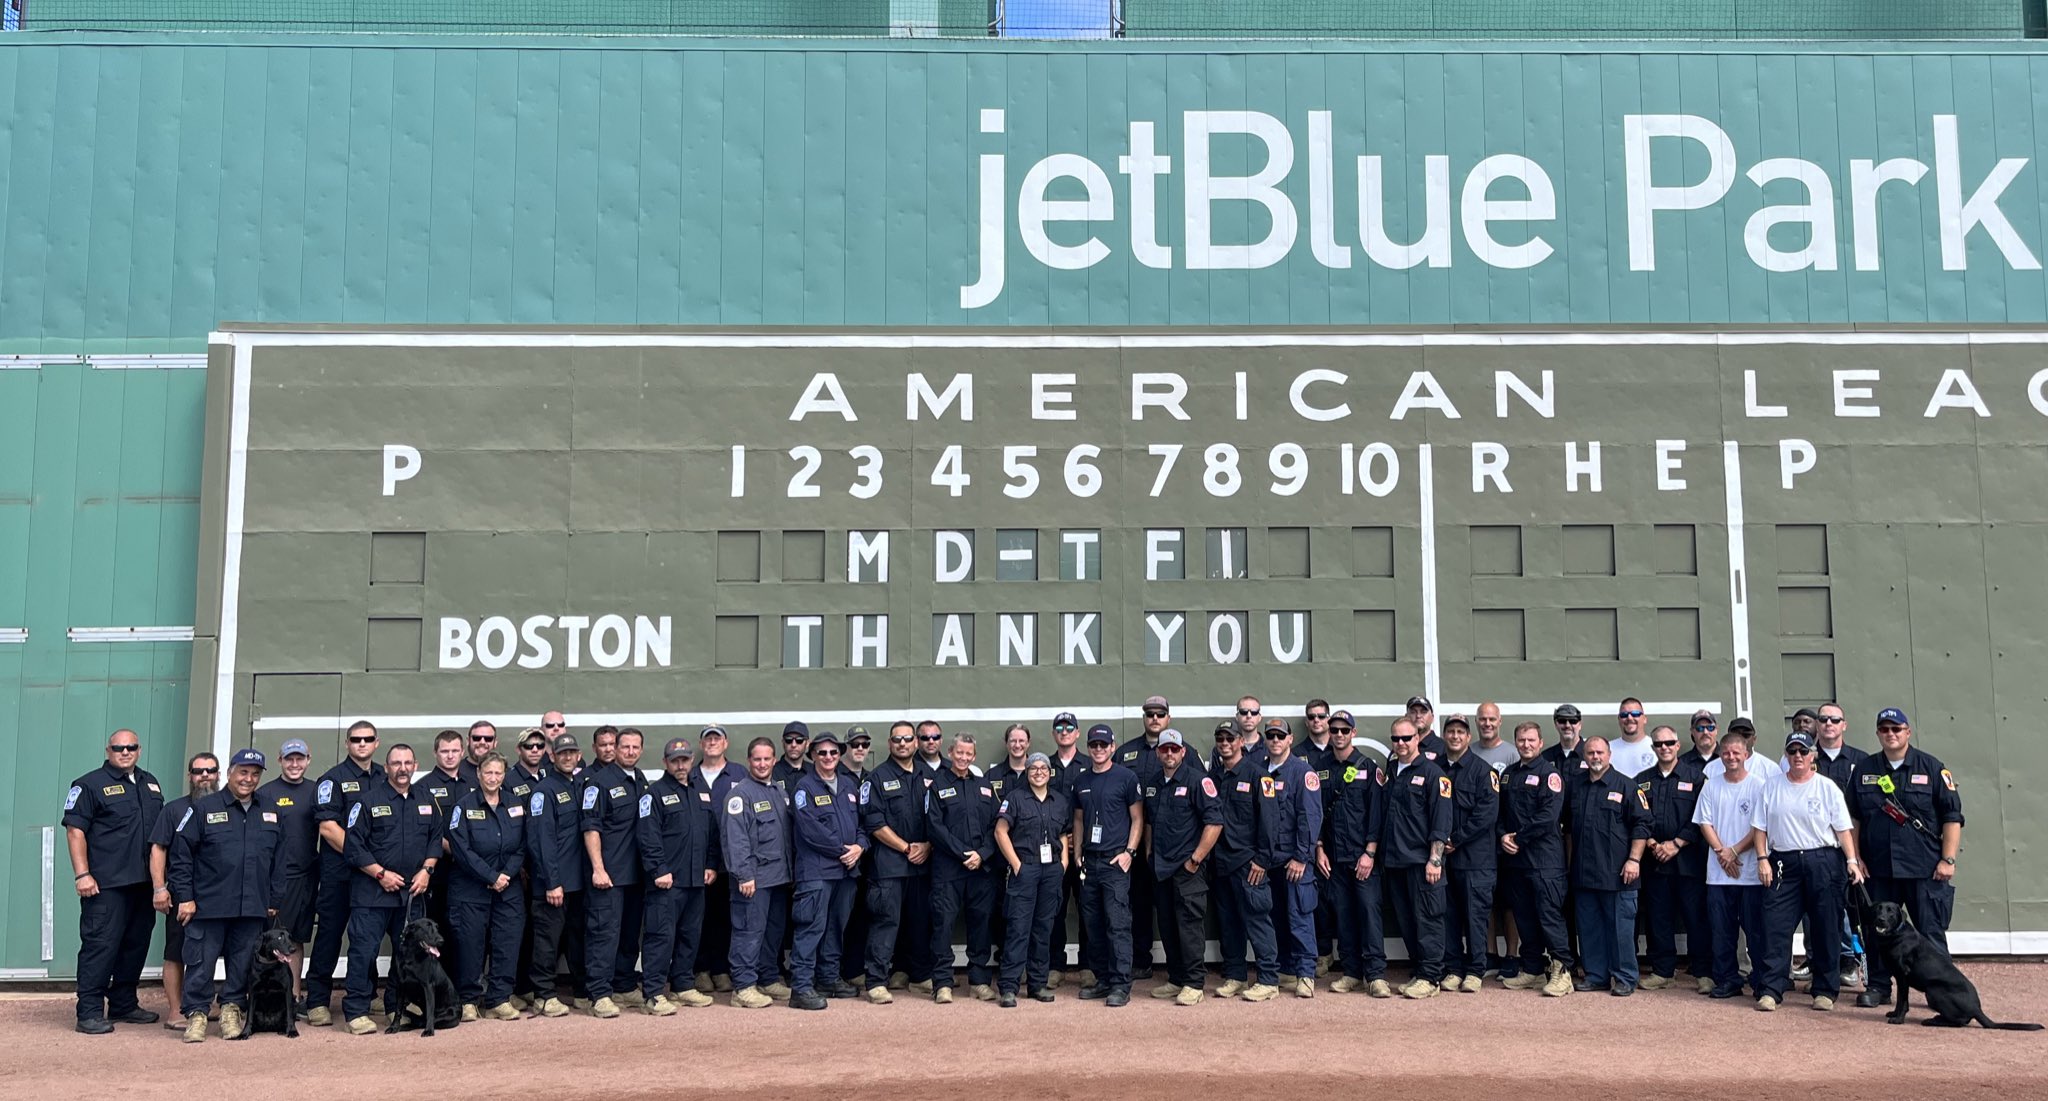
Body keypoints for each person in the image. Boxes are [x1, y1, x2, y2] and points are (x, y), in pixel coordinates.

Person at [1848, 707, 1963, 1010]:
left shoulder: (1932, 767)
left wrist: (1947, 860)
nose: (1891, 734)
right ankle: (1878, 986)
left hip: (1924, 870)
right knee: (1877, 933)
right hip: (1880, 870)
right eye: (1884, 729)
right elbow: (1854, 819)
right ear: (1878, 734)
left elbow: (1952, 816)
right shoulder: (1864, 770)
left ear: (1907, 732)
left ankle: (1944, 990)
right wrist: (1856, 857)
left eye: (1896, 729)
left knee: (1930, 934)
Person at [169, 748, 284, 1043]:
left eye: (255, 774)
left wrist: (274, 899)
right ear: (230, 773)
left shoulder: (270, 810)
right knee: (201, 963)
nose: (249, 779)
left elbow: (280, 860)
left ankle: (232, 1009)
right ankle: (196, 1014)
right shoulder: (204, 808)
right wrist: (185, 897)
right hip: (209, 904)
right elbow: (182, 856)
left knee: (243, 962)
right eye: (243, 772)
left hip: (251, 906)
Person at [63, 729, 165, 1034]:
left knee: (135, 945)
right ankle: (89, 1011)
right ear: (108, 750)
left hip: (143, 884)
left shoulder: (150, 783)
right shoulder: (88, 784)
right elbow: (74, 831)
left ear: (139, 749)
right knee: (100, 946)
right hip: (106, 885)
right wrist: (82, 874)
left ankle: (123, 1003)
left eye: (131, 747)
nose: (125, 752)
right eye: (118, 747)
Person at [1755, 730, 1866, 1012]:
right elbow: (1760, 828)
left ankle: (1825, 990)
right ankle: (1771, 989)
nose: (1797, 757)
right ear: (1786, 755)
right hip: (1783, 862)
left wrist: (1852, 861)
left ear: (1812, 755)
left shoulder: (1827, 787)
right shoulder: (1771, 786)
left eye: (1803, 751)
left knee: (1825, 927)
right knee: (1776, 926)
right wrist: (1762, 858)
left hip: (1824, 861)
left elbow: (1843, 829)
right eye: (1792, 751)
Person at [340, 743, 442, 1036]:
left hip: (412, 893)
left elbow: (436, 838)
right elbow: (352, 846)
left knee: (407, 954)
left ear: (415, 765)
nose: (402, 768)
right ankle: (357, 1011)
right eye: (396, 763)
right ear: (386, 768)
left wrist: (427, 870)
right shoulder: (368, 801)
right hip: (372, 893)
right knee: (364, 952)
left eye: (408, 762)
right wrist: (380, 874)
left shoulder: (426, 799)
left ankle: (396, 1008)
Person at [304, 720, 381, 1025]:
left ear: (376, 743)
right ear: (347, 743)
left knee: (367, 936)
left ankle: (369, 994)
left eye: (368, 739)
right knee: (330, 936)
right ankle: (318, 1001)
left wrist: (373, 864)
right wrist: (365, 857)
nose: (362, 744)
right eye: (355, 739)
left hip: (370, 874)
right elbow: (328, 828)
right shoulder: (332, 780)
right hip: (339, 873)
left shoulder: (384, 778)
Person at [1564, 736, 1649, 996]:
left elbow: (1643, 825)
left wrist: (1634, 860)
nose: (1595, 757)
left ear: (1609, 755)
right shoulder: (1575, 787)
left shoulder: (1627, 786)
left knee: (1621, 930)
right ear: (1584, 757)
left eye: (1600, 752)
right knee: (1589, 929)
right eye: (1590, 753)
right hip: (1584, 874)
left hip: (1618, 874)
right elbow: (1566, 828)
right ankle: (1596, 975)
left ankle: (1625, 977)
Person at [637, 737, 717, 1013]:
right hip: (667, 882)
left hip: (696, 880)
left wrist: (710, 864)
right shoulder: (654, 794)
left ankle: (683, 986)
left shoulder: (700, 791)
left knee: (689, 936)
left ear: (692, 760)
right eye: (675, 760)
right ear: (665, 763)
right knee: (661, 937)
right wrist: (659, 870)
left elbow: (711, 833)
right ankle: (654, 993)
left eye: (685, 759)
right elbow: (648, 837)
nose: (681, 765)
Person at [1142, 730, 1221, 1005]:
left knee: (1189, 927)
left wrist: (1196, 859)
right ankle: (1176, 978)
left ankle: (1194, 983)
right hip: (1161, 868)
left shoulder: (1199, 780)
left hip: (1188, 870)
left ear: (1183, 752)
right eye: (1165, 750)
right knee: (1167, 925)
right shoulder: (1153, 784)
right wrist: (1149, 852)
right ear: (1158, 752)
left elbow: (1214, 822)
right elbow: (1150, 822)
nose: (1170, 754)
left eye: (1175, 749)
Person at [446, 753, 527, 1022]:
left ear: (504, 775)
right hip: (471, 889)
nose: (493, 778)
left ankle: (499, 999)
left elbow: (523, 845)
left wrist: (506, 875)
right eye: (488, 773)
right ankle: (468, 1000)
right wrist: (491, 876)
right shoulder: (464, 806)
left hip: (509, 888)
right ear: (479, 774)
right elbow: (461, 850)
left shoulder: (515, 805)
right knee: (470, 945)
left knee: (508, 942)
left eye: (498, 773)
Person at [1497, 722, 1574, 997]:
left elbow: (1547, 818)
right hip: (1516, 863)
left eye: (1531, 740)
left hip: (1545, 862)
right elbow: (1500, 813)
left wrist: (1517, 838)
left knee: (1549, 917)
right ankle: (1531, 969)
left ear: (1541, 742)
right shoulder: (1508, 775)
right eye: (1521, 740)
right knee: (1524, 917)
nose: (1526, 744)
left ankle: (1562, 972)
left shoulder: (1549, 774)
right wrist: (1502, 835)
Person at [788, 730, 863, 1010]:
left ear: (839, 754)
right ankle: (801, 987)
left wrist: (860, 847)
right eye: (822, 753)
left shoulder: (848, 786)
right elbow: (810, 831)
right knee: (811, 928)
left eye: (833, 752)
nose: (828, 757)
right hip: (816, 873)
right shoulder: (804, 788)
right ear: (813, 756)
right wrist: (843, 850)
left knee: (835, 928)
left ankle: (828, 979)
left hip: (846, 872)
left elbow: (863, 825)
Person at [861, 719, 934, 1003]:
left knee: (920, 922)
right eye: (897, 739)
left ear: (916, 742)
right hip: (890, 866)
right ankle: (876, 980)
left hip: (923, 864)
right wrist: (906, 848)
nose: (902, 744)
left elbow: (938, 818)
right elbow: (874, 822)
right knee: (885, 923)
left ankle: (918, 976)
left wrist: (927, 846)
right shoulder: (876, 778)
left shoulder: (929, 775)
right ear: (890, 744)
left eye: (907, 739)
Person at [1317, 711, 1388, 998]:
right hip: (1334, 858)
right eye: (1334, 729)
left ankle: (1376, 975)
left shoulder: (1368, 768)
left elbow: (1377, 814)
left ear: (1353, 733)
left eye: (1344, 730)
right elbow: (1316, 813)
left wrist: (1370, 852)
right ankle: (1351, 973)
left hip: (1363, 858)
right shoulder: (1321, 768)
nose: (1339, 734)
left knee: (1369, 914)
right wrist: (1319, 848)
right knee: (1344, 916)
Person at [1693, 731, 1767, 1000]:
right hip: (1718, 875)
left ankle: (1761, 980)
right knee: (1722, 933)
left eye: (1737, 752)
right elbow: (1704, 822)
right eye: (1726, 753)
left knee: (1757, 932)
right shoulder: (1711, 785)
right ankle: (1727, 980)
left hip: (1750, 875)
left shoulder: (1759, 785)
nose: (1731, 757)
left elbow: (1761, 826)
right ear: (1720, 755)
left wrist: (1734, 851)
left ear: (1746, 754)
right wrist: (1721, 852)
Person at [582, 727, 650, 1017]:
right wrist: (598, 868)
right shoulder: (598, 782)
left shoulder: (641, 780)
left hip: (637, 875)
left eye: (636, 747)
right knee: (603, 935)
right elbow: (590, 827)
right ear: (614, 749)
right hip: (609, 875)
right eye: (625, 747)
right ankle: (599, 993)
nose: (630, 752)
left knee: (629, 935)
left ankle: (623, 985)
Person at [927, 732, 1000, 1003]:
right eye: (959, 753)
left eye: (969, 754)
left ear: (974, 756)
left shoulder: (984, 786)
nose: (964, 758)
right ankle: (943, 983)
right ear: (950, 752)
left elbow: (997, 826)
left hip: (980, 869)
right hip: (948, 870)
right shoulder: (936, 786)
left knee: (980, 925)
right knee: (943, 926)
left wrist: (981, 854)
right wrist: (962, 853)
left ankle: (979, 981)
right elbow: (935, 827)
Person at [1380, 717, 1450, 999]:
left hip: (1422, 863)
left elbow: (1441, 821)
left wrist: (1435, 860)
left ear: (1418, 738)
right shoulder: (1393, 770)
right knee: (1407, 921)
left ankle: (1431, 977)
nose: (1401, 744)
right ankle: (1421, 971)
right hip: (1395, 861)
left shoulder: (1434, 774)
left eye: (1406, 738)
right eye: (1396, 739)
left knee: (1428, 921)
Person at [1637, 725, 1710, 992]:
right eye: (1658, 744)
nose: (1664, 748)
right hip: (1655, 860)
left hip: (1689, 861)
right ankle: (1662, 971)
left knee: (1696, 919)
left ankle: (1703, 972)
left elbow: (1702, 817)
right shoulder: (1642, 781)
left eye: (1669, 743)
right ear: (1653, 748)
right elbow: (1639, 818)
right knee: (1659, 918)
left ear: (1678, 745)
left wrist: (1677, 843)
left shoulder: (1697, 778)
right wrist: (1654, 843)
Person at [1074, 723, 1142, 1006]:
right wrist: (1077, 853)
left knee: (1118, 925)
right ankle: (1103, 980)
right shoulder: (1081, 780)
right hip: (1090, 863)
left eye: (1104, 745)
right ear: (1088, 748)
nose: (1099, 749)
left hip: (1116, 862)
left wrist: (1129, 852)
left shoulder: (1126, 777)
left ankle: (1120, 984)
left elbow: (1138, 818)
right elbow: (1078, 820)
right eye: (1094, 745)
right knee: (1093, 925)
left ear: (1113, 747)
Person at [149, 752, 219, 1031]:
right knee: (177, 952)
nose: (204, 776)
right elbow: (158, 848)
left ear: (218, 774)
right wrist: (159, 888)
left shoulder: (230, 806)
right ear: (189, 775)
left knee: (210, 951)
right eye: (198, 771)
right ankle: (176, 1010)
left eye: (210, 771)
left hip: (217, 894)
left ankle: (203, 1004)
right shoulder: (174, 810)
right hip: (181, 893)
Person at [994, 753, 1069, 1008]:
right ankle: (1009, 987)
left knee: (1043, 928)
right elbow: (1000, 831)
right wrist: (1016, 865)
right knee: (1018, 928)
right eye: (1033, 768)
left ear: (1050, 772)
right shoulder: (1015, 798)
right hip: (1025, 868)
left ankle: (1037, 984)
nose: (1039, 772)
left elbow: (1065, 833)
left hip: (1051, 871)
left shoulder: (1059, 800)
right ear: (1026, 772)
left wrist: (1064, 862)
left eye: (1043, 768)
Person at [724, 737, 794, 1009]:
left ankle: (767, 978)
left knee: (772, 932)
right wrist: (744, 875)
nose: (762, 764)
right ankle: (742, 987)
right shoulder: (740, 795)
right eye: (757, 759)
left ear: (774, 760)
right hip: (754, 879)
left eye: (767, 759)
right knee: (748, 931)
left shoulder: (778, 791)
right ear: (748, 761)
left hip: (778, 877)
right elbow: (736, 839)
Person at [1258, 716, 1323, 998]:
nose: (1274, 740)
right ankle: (1286, 970)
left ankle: (1306, 974)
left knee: (1300, 917)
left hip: (1294, 862)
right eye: (1270, 735)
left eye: (1279, 736)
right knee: (1276, 918)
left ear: (1289, 740)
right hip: (1268, 862)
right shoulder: (1258, 770)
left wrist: (1302, 857)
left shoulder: (1302, 772)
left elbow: (1309, 818)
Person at [524, 732, 588, 1017]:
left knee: (577, 940)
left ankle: (581, 992)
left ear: (578, 755)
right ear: (552, 755)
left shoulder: (580, 786)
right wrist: (552, 882)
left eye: (571, 753)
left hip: (577, 883)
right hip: (553, 884)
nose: (567, 757)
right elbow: (541, 841)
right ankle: (544, 995)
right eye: (561, 753)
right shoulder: (544, 790)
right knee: (547, 943)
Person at [256, 739, 318, 1009]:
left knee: (297, 939)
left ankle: (294, 996)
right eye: (289, 759)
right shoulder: (266, 794)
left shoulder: (317, 791)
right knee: (273, 938)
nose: (295, 764)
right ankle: (265, 996)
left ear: (308, 759)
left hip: (308, 877)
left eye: (300, 759)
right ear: (279, 760)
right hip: (278, 879)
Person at [1440, 714, 1499, 993]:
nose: (1455, 736)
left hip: (1476, 860)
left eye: (1460, 732)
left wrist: (1456, 839)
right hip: (1444, 859)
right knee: (1448, 914)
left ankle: (1476, 969)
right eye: (1450, 731)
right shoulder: (1435, 768)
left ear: (1468, 737)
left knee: (1476, 917)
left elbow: (1486, 814)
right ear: (1444, 735)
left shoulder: (1483, 771)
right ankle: (1453, 968)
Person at [1116, 696, 1171, 978]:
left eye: (1160, 714)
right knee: (1137, 905)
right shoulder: (1125, 753)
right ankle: (1141, 962)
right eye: (1149, 714)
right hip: (1134, 845)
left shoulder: (1183, 752)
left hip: (1170, 847)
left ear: (1168, 718)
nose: (1154, 718)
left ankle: (1181, 968)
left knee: (1171, 907)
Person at [505, 728, 551, 1012]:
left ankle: (531, 986)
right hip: (521, 867)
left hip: (546, 867)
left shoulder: (550, 776)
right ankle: (517, 988)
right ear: (519, 750)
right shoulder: (509, 780)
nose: (534, 750)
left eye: (539, 745)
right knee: (519, 931)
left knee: (541, 931)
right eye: (528, 745)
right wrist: (519, 866)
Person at [1046, 711, 1089, 987]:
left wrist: (1078, 841)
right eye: (1059, 727)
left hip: (1085, 850)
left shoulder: (1090, 763)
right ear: (1054, 733)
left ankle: (1088, 966)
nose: (1064, 731)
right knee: (1054, 909)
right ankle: (1055, 966)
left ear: (1077, 733)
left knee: (1088, 909)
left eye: (1069, 727)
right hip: (1051, 850)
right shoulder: (1041, 766)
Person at [1609, 698, 1656, 778]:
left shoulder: (1658, 747)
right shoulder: (1607, 749)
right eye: (1624, 715)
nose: (1629, 718)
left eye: (1635, 714)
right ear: (1619, 719)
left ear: (1644, 719)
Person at [1473, 703, 1519, 772]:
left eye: (1492, 719)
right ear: (1476, 721)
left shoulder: (1513, 755)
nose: (1487, 724)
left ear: (1500, 721)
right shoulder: (1468, 752)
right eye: (1483, 719)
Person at [1405, 696, 1448, 761]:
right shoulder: (1401, 746)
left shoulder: (1443, 748)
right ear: (1406, 717)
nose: (1418, 716)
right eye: (1413, 712)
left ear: (1432, 717)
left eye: (1423, 712)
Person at [773, 721, 810, 790]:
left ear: (807, 743)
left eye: (799, 740)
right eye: (788, 740)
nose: (793, 745)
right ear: (783, 742)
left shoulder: (814, 772)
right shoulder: (771, 772)